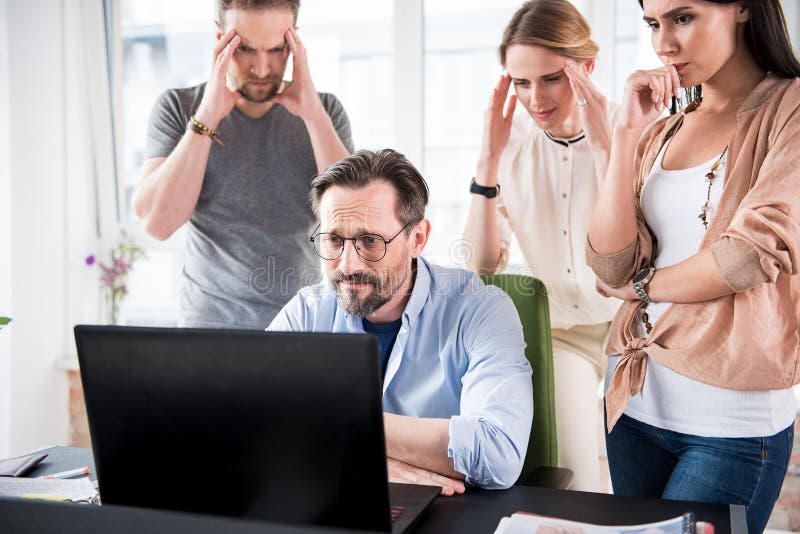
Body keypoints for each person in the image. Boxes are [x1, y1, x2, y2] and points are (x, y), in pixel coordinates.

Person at [586, 1, 800, 531]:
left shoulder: (789, 108)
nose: (664, 45)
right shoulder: (664, 130)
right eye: (653, 24)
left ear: (743, 8)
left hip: (731, 423)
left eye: (683, 18)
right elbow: (609, 264)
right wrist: (628, 135)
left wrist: (643, 287)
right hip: (633, 407)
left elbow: (752, 253)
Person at [268, 149, 533, 493]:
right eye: (334, 240)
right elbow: (254, 423)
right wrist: (374, 462)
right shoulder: (307, 311)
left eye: (370, 241)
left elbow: (499, 454)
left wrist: (340, 431)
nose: (349, 264)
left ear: (417, 239)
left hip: (447, 506)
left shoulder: (481, 309)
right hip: (332, 495)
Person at [462, 0, 618, 492]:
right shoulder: (510, 145)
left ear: (586, 67)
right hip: (564, 335)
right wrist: (487, 161)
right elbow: (482, 263)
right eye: (520, 83)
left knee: (643, 486)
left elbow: (641, 246)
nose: (536, 98)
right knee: (575, 483)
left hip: (637, 331)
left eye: (551, 78)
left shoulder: (632, 130)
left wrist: (607, 147)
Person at [133, 0, 353, 328]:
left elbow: (353, 223)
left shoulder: (325, 113)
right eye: (245, 49)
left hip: (300, 330)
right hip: (208, 338)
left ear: (295, 41)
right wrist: (207, 117)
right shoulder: (180, 108)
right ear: (221, 38)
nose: (262, 69)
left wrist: (313, 116)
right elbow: (157, 222)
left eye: (277, 49)